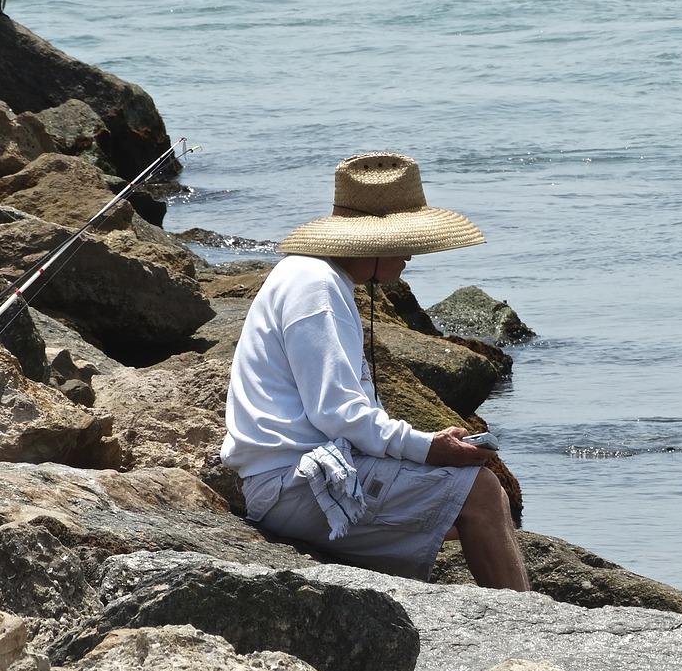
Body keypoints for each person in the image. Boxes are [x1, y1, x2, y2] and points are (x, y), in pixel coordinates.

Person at [221, 153, 528, 591]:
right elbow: (337, 413)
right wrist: (425, 448)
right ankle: (527, 630)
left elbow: (337, 411)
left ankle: (515, 620)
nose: (409, 257)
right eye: (404, 243)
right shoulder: (317, 288)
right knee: (480, 492)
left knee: (461, 514)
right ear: (375, 242)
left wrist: (422, 448)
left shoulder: (314, 276)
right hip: (295, 484)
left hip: (289, 479)